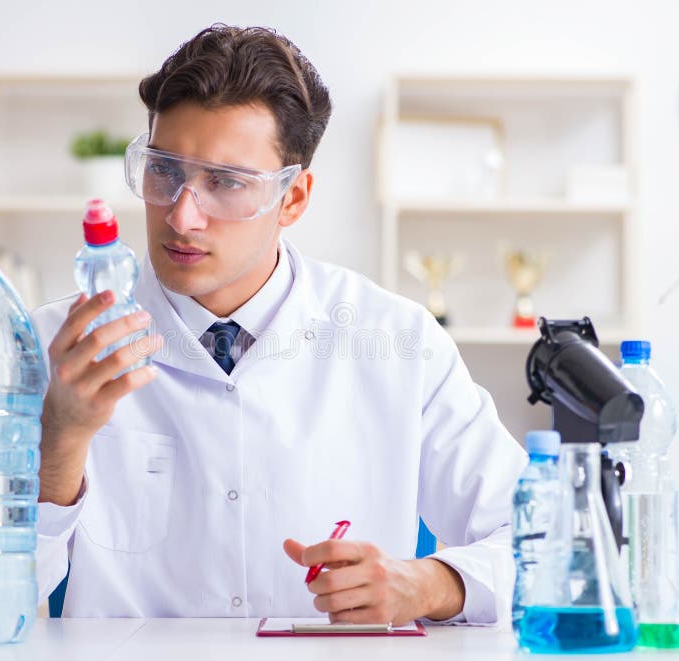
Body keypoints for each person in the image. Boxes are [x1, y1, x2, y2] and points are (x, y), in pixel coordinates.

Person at [33, 24, 527, 625]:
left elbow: (537, 543)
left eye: (226, 182)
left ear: (293, 199)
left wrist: (428, 585)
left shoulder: (398, 342)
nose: (182, 215)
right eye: (165, 171)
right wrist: (58, 448)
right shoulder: (52, 344)